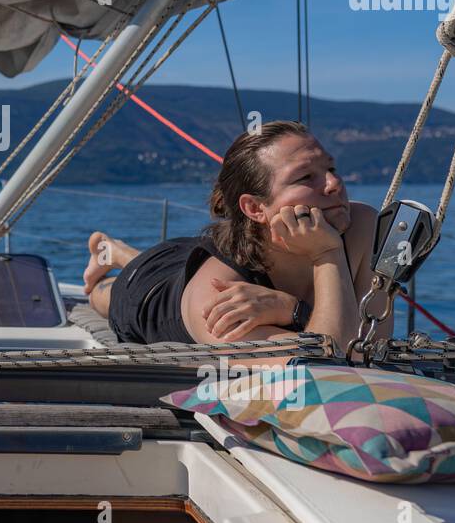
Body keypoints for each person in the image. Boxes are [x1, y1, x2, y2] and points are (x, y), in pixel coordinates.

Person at [81, 120, 390, 359]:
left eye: (331, 168)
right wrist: (326, 253)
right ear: (255, 208)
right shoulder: (216, 296)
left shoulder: (362, 224)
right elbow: (328, 362)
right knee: (102, 295)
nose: (335, 183)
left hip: (199, 252)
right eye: (305, 177)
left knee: (180, 261)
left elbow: (373, 347)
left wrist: (292, 308)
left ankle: (122, 253)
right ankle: (111, 254)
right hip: (149, 290)